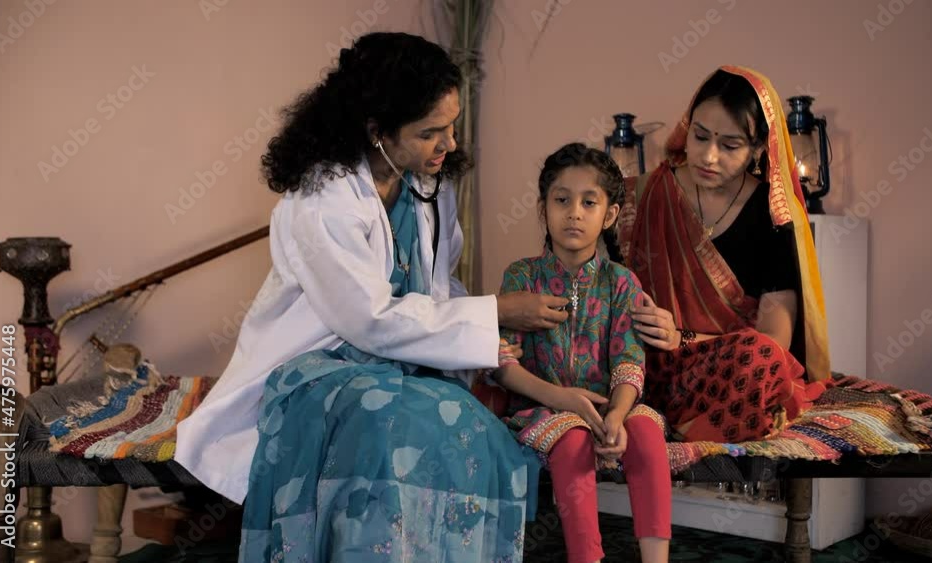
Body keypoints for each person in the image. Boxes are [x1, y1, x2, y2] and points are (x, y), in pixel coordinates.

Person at [175, 32, 570, 562]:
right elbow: (369, 319)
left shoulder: (429, 186)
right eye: (431, 132)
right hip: (320, 367)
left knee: (474, 430)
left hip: (399, 367)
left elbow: (436, 285)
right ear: (376, 131)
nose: (449, 145)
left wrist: (486, 341)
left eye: (452, 126)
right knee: (393, 429)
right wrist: (494, 311)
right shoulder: (323, 199)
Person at [619, 66, 831, 444]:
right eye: (700, 136)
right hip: (643, 362)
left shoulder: (774, 216)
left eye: (730, 145)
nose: (708, 156)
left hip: (724, 371)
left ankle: (681, 429)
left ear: (759, 149)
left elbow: (773, 339)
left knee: (763, 358)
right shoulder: (644, 195)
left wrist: (680, 336)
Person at [488, 143, 671, 563]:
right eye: (561, 200)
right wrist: (561, 399)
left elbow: (629, 364)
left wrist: (616, 417)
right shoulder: (522, 275)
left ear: (608, 215)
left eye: (589, 202)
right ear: (543, 209)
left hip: (611, 407)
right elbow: (501, 363)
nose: (574, 212)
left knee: (645, 433)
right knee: (572, 439)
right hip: (543, 409)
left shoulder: (622, 283)